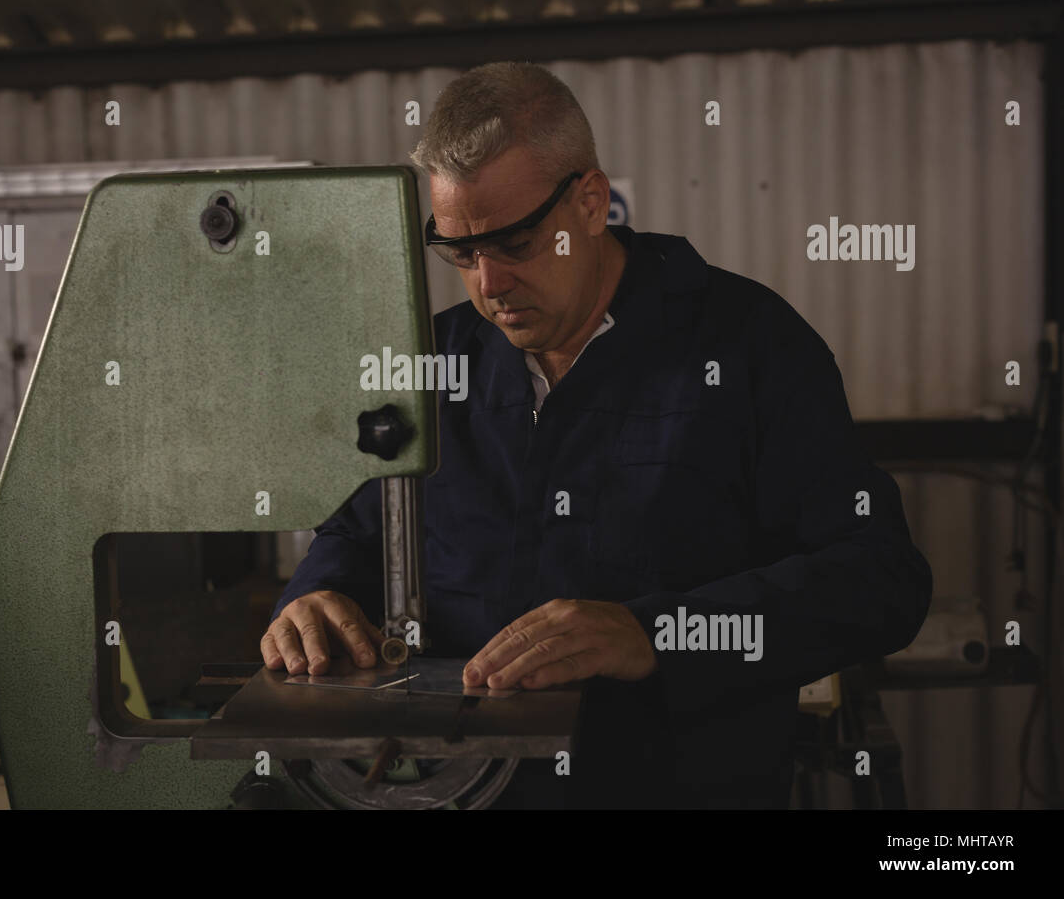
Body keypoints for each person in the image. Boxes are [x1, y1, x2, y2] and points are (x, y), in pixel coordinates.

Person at [262, 61, 933, 808]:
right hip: (458, 795)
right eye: (459, 252)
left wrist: (657, 634)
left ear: (589, 203)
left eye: (515, 245)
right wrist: (312, 598)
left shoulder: (748, 349)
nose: (488, 284)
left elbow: (879, 580)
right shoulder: (427, 364)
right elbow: (357, 530)